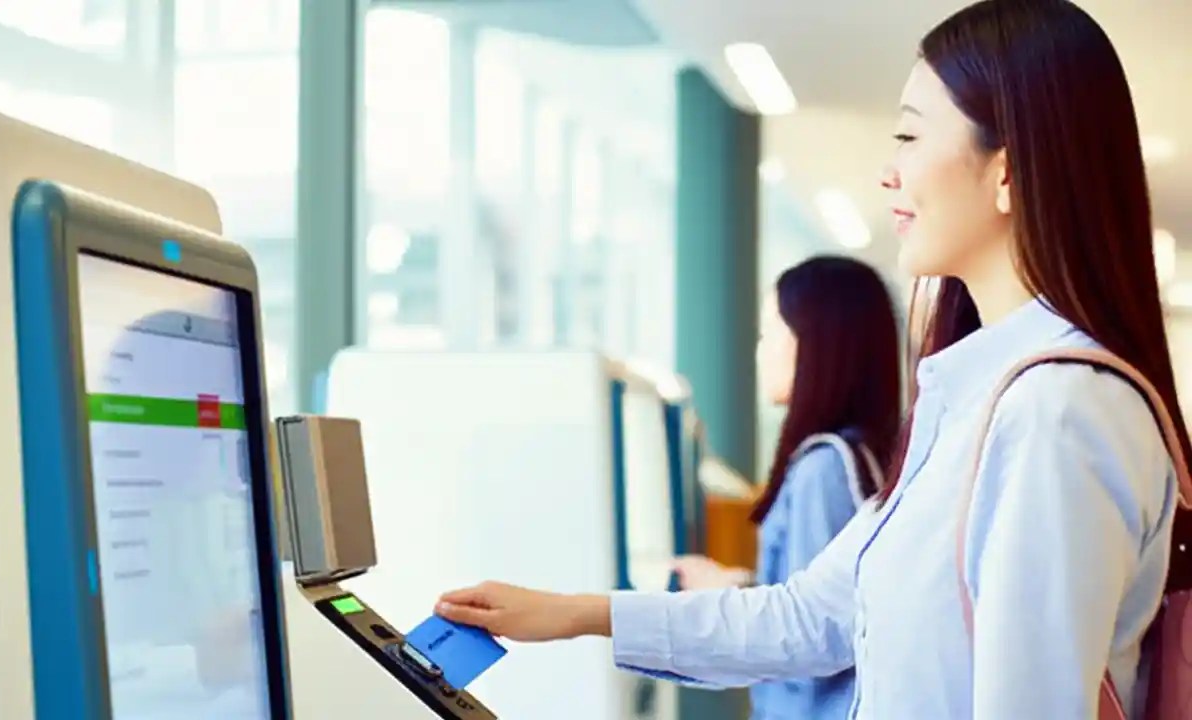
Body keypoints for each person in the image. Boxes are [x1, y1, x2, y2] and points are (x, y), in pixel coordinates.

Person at [433, 1, 1192, 717]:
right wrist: (570, 614)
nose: (888, 173)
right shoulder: (969, 400)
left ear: (1008, 168)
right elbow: (807, 617)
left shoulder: (1056, 412)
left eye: (910, 136)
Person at [672, 255, 900, 720]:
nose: (759, 351)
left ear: (814, 342)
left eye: (768, 332)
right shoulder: (868, 453)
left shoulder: (824, 469)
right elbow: (824, 598)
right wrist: (737, 584)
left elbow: (809, 637)